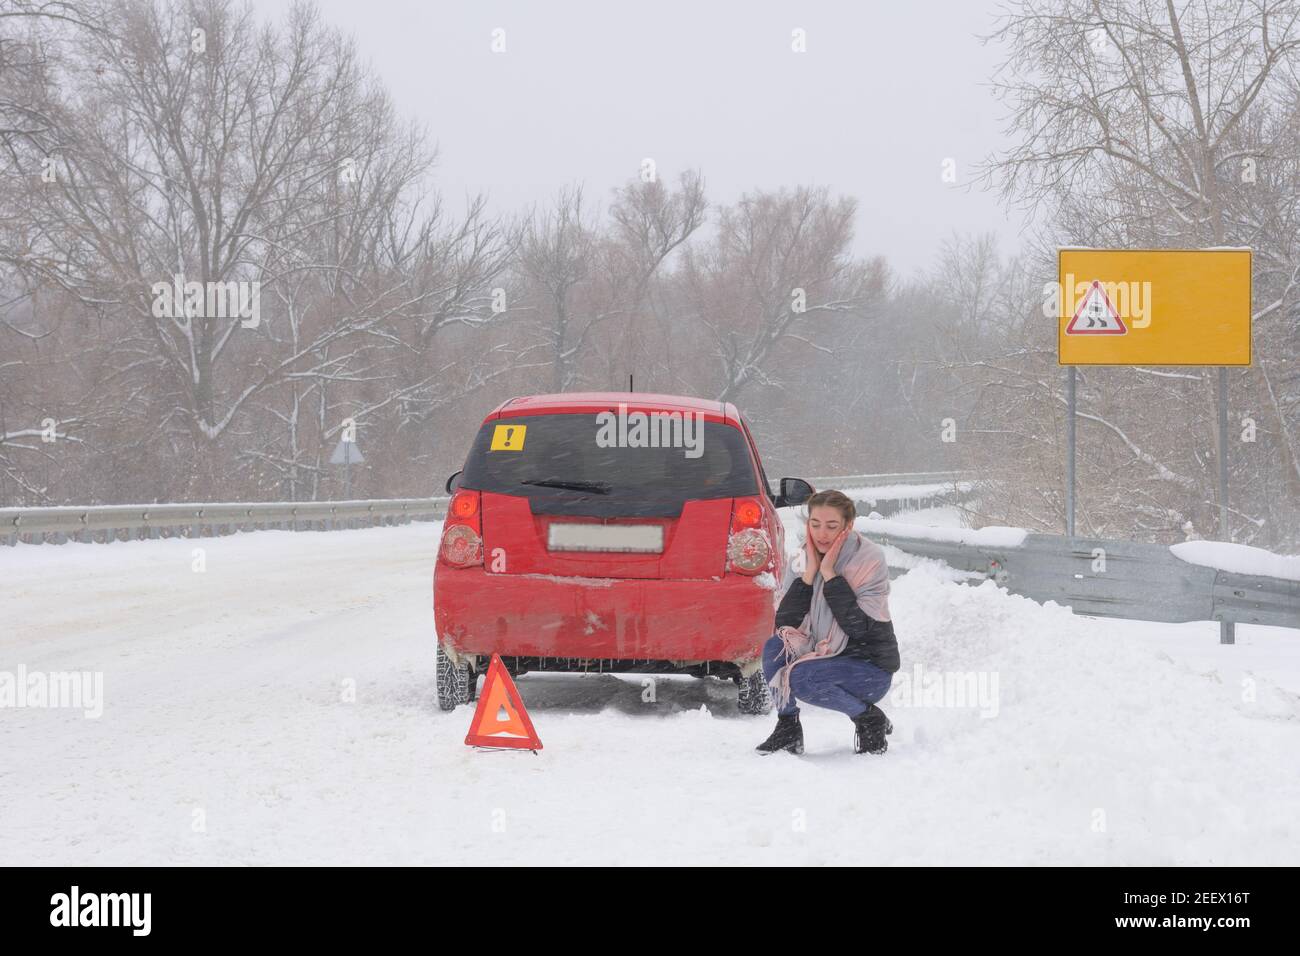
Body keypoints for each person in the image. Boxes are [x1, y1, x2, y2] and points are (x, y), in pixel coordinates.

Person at [755, 490, 901, 756]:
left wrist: (831, 575)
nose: (822, 534)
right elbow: (785, 623)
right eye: (815, 524)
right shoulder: (801, 558)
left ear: (849, 526)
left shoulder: (869, 560)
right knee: (774, 648)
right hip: (820, 656)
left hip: (868, 670)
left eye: (832, 526)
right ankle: (787, 726)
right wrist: (809, 576)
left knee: (801, 678)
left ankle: (868, 717)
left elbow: (859, 627)